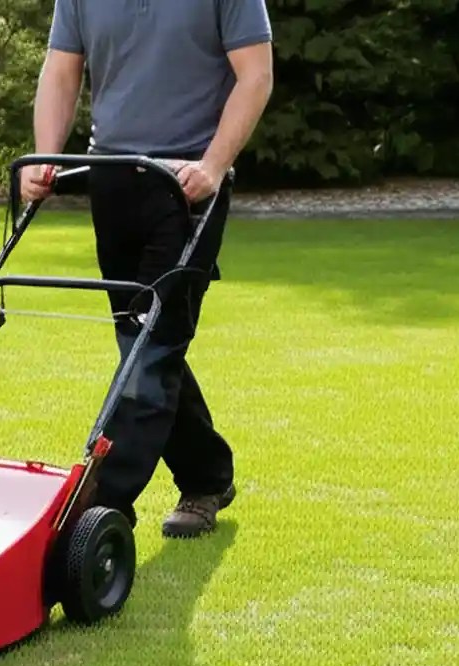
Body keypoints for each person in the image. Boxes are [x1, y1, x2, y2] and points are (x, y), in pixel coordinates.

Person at [21, 0, 274, 538]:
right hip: (111, 178)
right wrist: (48, 156)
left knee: (152, 347)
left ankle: (98, 509)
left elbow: (256, 74)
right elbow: (63, 69)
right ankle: (208, 475)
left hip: (186, 184)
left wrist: (213, 164)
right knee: (138, 342)